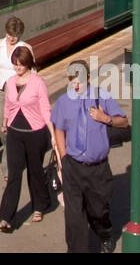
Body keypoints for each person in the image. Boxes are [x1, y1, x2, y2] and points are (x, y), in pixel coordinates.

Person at [52, 60, 129, 253]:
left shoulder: (102, 96)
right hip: (73, 167)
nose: (75, 85)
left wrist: (106, 119)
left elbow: (124, 122)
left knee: (98, 211)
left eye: (79, 80)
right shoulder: (63, 102)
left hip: (98, 169)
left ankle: (105, 233)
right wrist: (63, 159)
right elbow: (59, 130)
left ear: (88, 78)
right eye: (71, 81)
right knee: (74, 218)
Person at [0, 46, 54, 232]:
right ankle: (5, 217)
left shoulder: (38, 83)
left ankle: (39, 206)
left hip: (35, 132)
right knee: (14, 174)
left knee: (35, 172)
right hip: (15, 132)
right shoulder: (10, 82)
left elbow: (45, 108)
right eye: (15, 64)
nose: (17, 67)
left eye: (20, 64)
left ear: (28, 64)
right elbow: (9, 106)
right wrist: (4, 123)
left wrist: (52, 134)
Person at [0, 16, 30, 176]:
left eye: (14, 36)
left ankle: (7, 168)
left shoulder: (25, 48)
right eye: (9, 35)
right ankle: (15, 147)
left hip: (18, 94)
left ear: (20, 35)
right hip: (1, 93)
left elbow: (33, 73)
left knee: (9, 128)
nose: (11, 39)